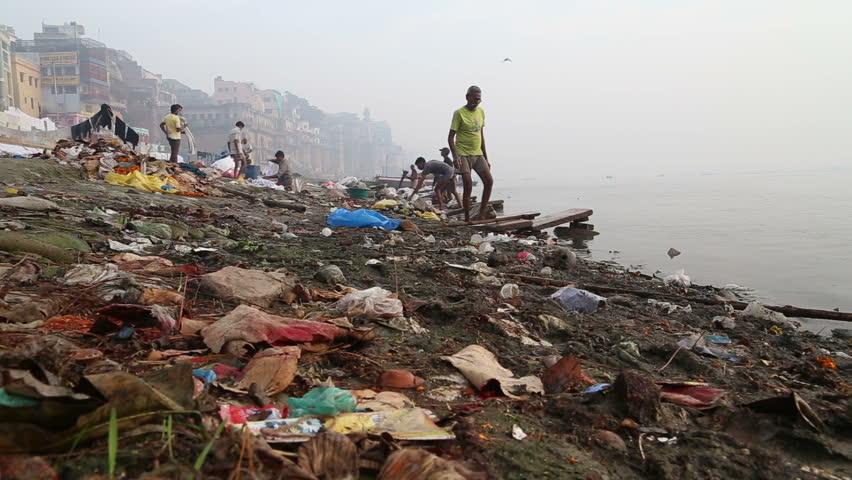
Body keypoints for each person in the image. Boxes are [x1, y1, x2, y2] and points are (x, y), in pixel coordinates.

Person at [448, 85, 493, 222]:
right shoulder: (459, 113)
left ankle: (481, 214)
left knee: (489, 181)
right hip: (463, 153)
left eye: (478, 99)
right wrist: (455, 157)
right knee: (467, 184)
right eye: (474, 98)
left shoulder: (481, 112)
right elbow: (450, 137)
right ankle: (467, 218)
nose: (476, 101)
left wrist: (486, 157)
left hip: (477, 153)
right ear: (467, 97)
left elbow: (481, 135)